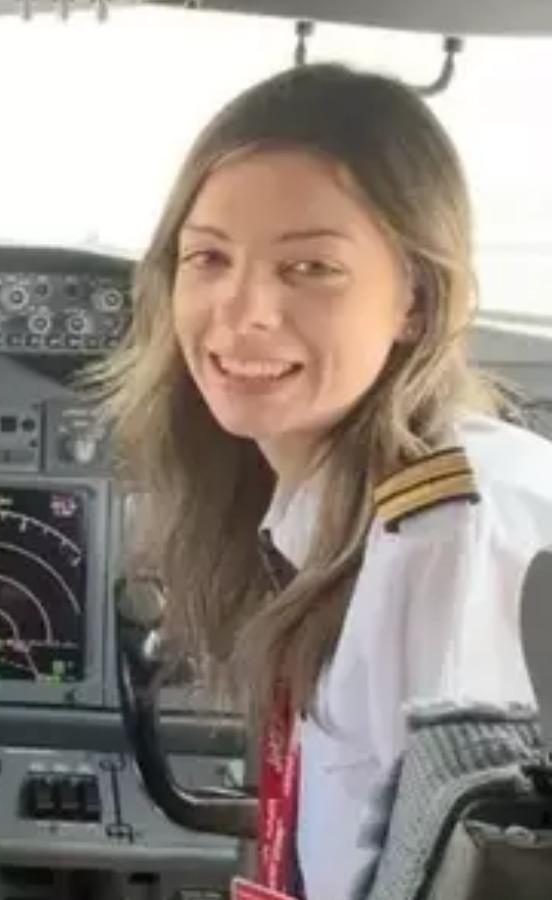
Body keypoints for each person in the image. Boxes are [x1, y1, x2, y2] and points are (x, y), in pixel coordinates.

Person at [91, 63, 552, 899]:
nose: (243, 310)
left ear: (415, 295)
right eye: (209, 258)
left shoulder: (452, 540)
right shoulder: (328, 516)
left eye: (310, 268)